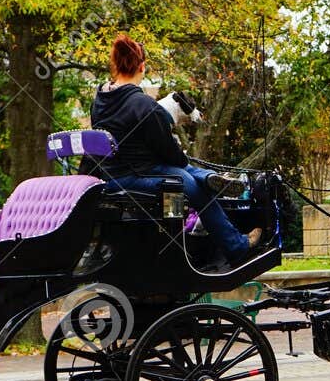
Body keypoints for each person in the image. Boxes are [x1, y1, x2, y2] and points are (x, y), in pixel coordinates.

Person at [90, 34, 264, 265]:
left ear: (116, 65)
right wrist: (179, 158)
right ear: (142, 66)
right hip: (135, 176)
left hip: (113, 175)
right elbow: (172, 154)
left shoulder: (100, 101)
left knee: (185, 175)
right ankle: (235, 245)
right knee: (191, 184)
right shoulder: (143, 105)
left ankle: (210, 179)